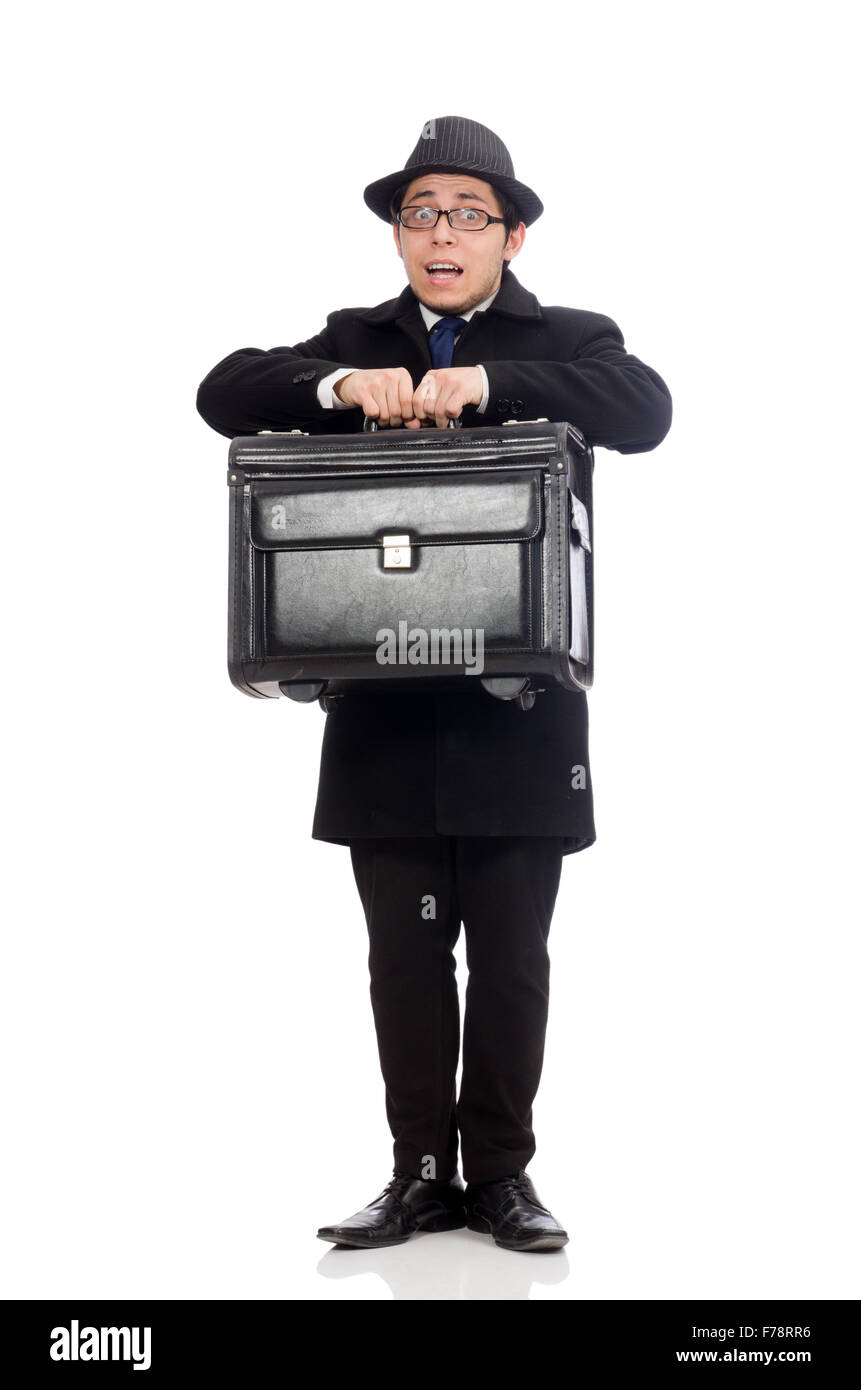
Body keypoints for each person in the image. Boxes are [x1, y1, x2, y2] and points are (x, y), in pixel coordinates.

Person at [196, 115, 672, 1253]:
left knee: (509, 953)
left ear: (511, 234)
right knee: (405, 951)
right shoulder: (353, 335)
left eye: (468, 214)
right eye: (421, 214)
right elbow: (224, 390)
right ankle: (417, 1173)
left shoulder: (572, 337)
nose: (442, 233)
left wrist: (491, 382)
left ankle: (502, 1178)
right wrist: (342, 384)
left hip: (521, 710)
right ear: (399, 236)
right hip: (385, 705)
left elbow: (646, 411)